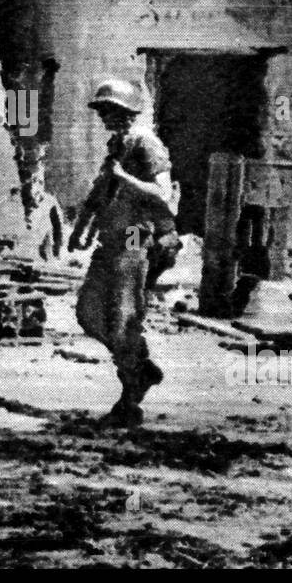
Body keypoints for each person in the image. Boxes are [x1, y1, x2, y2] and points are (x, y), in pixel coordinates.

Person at [69, 78, 176, 427]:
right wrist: (81, 229)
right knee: (88, 312)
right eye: (102, 111)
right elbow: (100, 192)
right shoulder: (117, 145)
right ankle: (139, 365)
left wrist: (124, 178)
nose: (104, 117)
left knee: (123, 316)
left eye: (111, 111)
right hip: (110, 237)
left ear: (129, 112)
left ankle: (131, 396)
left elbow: (163, 198)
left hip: (134, 235)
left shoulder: (147, 145)